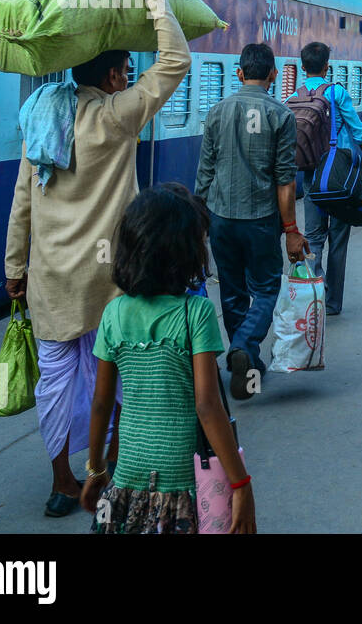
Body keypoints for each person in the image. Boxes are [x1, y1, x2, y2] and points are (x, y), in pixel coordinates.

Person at [5, 0, 190, 517]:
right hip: (111, 278)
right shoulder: (117, 117)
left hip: (52, 279)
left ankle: (62, 479)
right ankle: (103, 473)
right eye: (128, 70)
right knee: (113, 375)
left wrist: (14, 266)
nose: (132, 77)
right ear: (113, 78)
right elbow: (176, 61)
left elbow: (22, 201)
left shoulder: (40, 119)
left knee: (56, 382)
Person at [80, 183, 254, 534]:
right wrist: (240, 483)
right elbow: (207, 406)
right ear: (185, 252)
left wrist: (96, 470)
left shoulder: (114, 313)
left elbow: (101, 403)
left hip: (127, 474)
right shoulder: (197, 313)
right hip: (180, 482)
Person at [196, 43, 307, 400]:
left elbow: (205, 172)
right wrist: (291, 230)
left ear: (240, 73)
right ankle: (244, 347)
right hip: (261, 219)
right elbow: (285, 180)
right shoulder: (282, 115)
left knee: (231, 290)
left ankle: (245, 364)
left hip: (221, 217)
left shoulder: (216, 111)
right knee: (265, 289)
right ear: (274, 75)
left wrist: (199, 221)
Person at [290, 41, 362, 316]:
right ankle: (333, 302)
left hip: (311, 176)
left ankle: (312, 299)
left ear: (302, 67)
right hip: (338, 177)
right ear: (327, 66)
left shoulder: (294, 96)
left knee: (313, 237)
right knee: (338, 238)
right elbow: (360, 134)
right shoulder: (337, 92)